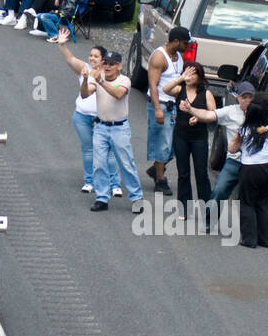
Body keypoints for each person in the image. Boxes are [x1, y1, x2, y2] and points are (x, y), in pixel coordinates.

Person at [181, 82, 268, 244]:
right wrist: (191, 109)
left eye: (250, 97)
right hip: (235, 162)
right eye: (244, 97)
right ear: (238, 98)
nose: (247, 100)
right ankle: (209, 221)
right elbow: (209, 116)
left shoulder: (265, 111)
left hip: (257, 164)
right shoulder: (230, 112)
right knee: (220, 189)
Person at [57, 28, 123, 197]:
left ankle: (114, 184)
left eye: (96, 56)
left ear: (103, 60)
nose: (92, 58)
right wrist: (62, 45)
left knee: (108, 151)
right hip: (82, 116)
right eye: (90, 55)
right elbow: (70, 58)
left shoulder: (109, 73)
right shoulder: (84, 68)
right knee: (88, 150)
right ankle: (89, 182)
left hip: (103, 118)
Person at [80, 49, 145, 214]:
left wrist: (100, 81)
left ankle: (136, 198)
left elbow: (118, 94)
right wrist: (86, 79)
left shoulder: (124, 80)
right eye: (105, 63)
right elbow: (85, 94)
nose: (108, 67)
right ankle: (102, 198)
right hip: (101, 127)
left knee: (126, 164)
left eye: (112, 64)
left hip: (119, 128)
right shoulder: (97, 79)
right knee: (99, 164)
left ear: (119, 66)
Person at [162, 62, 216, 220]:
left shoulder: (206, 94)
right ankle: (184, 208)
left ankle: (206, 210)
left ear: (199, 76)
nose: (189, 77)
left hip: (199, 138)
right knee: (183, 173)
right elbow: (165, 89)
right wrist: (180, 78)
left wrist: (198, 118)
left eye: (192, 74)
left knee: (201, 174)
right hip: (181, 136)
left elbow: (213, 115)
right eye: (187, 73)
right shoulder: (180, 89)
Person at [229, 93, 268, 248]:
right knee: (265, 202)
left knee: (247, 203)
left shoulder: (244, 131)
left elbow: (232, 149)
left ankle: (249, 239)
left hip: (250, 169)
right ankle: (265, 240)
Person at [146, 27, 191, 194]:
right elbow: (153, 84)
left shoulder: (178, 56)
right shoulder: (159, 57)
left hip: (174, 106)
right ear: (176, 41)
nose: (187, 46)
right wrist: (157, 109)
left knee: (175, 145)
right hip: (162, 105)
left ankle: (156, 169)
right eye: (185, 43)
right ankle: (160, 179)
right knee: (162, 144)